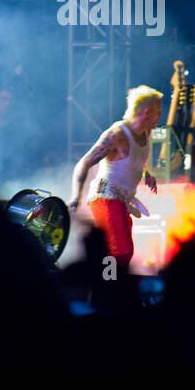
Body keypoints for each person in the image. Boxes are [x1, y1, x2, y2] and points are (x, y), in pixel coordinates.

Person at [68, 85, 161, 274]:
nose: (160, 116)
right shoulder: (117, 134)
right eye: (158, 112)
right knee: (120, 251)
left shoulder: (145, 133)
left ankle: (109, 286)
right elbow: (84, 164)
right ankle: (106, 289)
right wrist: (75, 197)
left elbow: (134, 158)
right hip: (106, 197)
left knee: (123, 253)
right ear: (146, 113)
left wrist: (146, 174)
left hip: (122, 200)